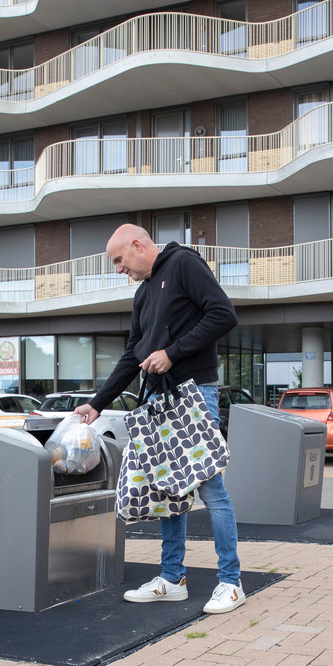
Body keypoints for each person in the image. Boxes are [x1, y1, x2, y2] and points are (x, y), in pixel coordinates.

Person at [74, 224, 245, 614]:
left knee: (210, 489)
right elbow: (132, 354)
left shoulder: (184, 263)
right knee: (169, 491)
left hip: (193, 393)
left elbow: (224, 314)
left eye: (119, 260)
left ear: (137, 245)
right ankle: (172, 578)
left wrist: (173, 352)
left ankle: (231, 583)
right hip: (159, 403)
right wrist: (98, 403)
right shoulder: (143, 293)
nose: (118, 269)